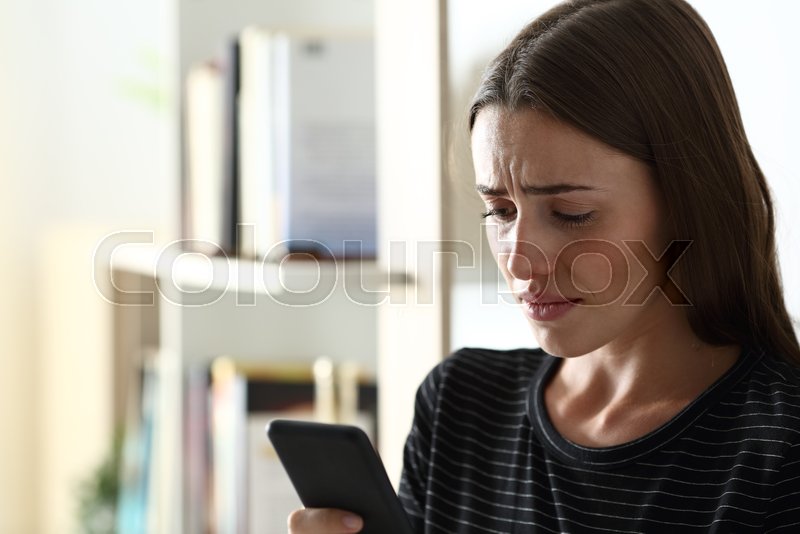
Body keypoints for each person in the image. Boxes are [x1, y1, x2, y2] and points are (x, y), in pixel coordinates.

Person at [288, 0, 800, 532]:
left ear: (685, 200)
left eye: (571, 213)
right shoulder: (459, 406)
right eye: (499, 210)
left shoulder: (779, 452)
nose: (518, 259)